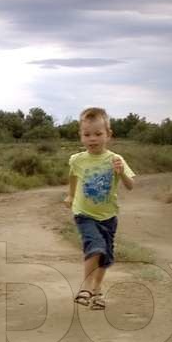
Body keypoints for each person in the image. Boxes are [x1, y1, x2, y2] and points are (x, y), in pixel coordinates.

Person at [63, 107, 136, 310]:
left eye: (97, 134)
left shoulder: (115, 159)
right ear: (81, 136)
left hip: (108, 216)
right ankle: (86, 287)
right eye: (87, 134)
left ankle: (97, 290)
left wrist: (121, 174)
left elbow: (130, 186)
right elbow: (73, 177)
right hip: (84, 214)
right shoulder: (77, 159)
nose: (92, 139)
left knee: (105, 257)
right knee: (95, 246)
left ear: (108, 135)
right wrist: (70, 195)